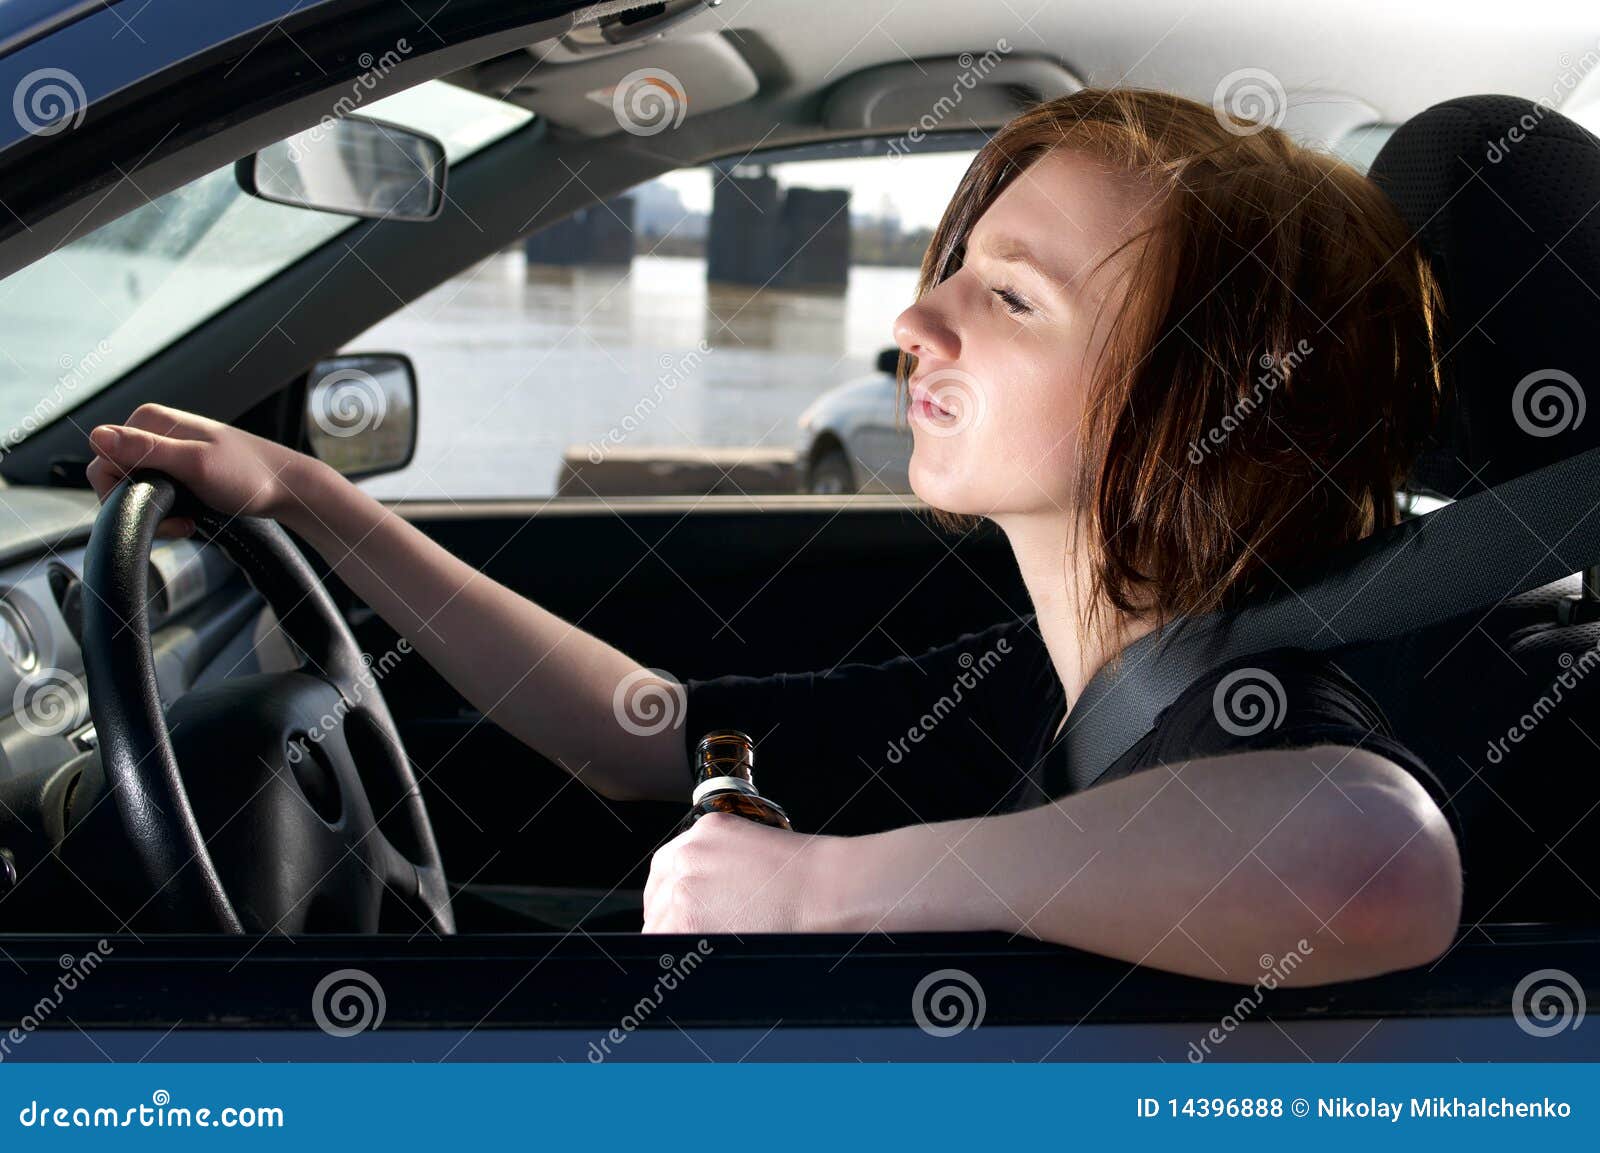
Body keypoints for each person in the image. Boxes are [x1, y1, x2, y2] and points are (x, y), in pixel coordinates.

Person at [85, 88, 1462, 986]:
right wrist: (319, 505)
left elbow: (1381, 859)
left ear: (1201, 397)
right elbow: (648, 730)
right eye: (952, 273)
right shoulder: (1070, 678)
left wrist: (816, 889)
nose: (916, 324)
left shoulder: (1247, 706)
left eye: (1014, 298)